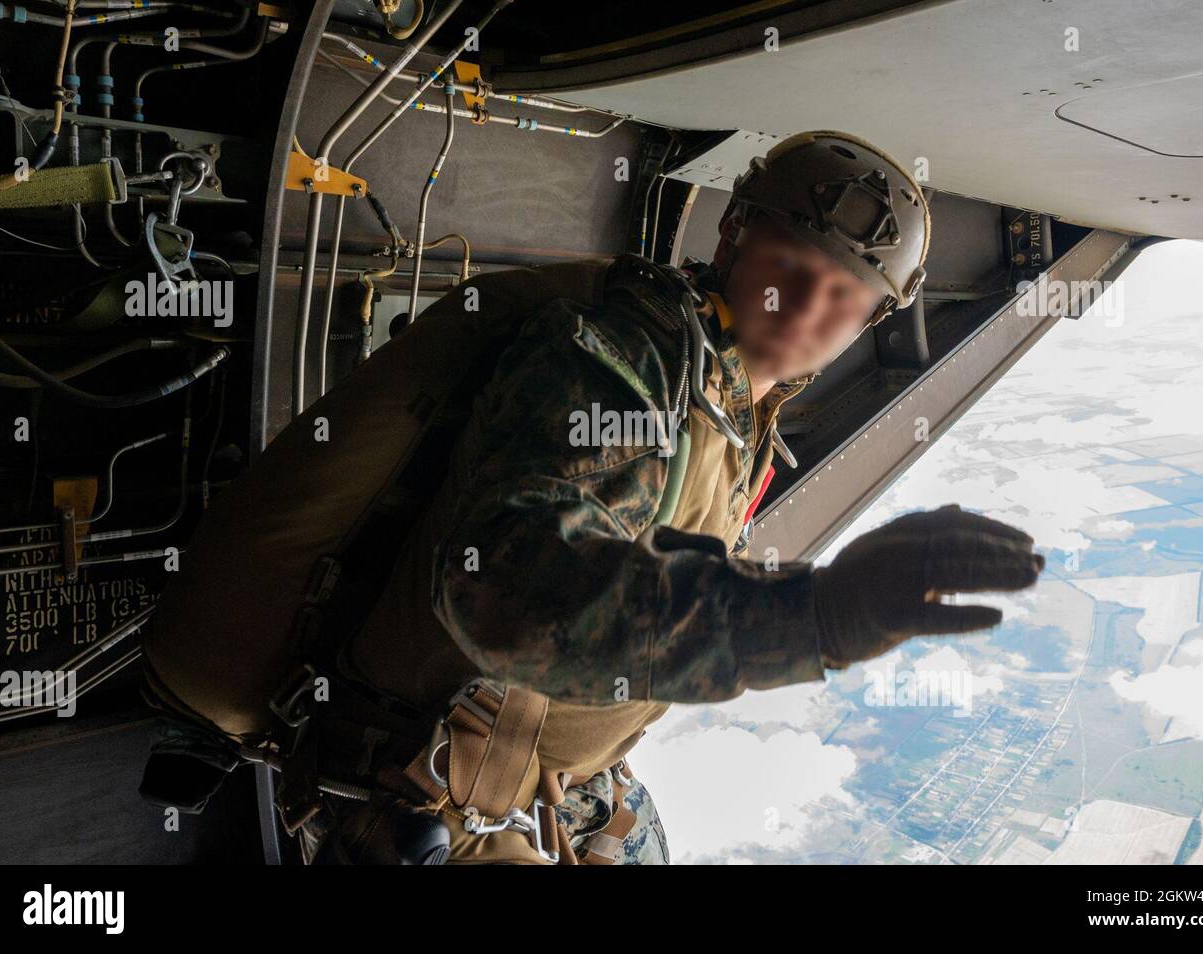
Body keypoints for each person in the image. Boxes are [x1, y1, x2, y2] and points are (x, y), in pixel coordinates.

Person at [142, 130, 1044, 865]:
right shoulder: (627, 357)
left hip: (525, 776)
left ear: (867, 322)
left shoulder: (728, 403)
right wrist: (810, 621)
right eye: (791, 262)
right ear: (731, 239)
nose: (809, 305)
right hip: (430, 800)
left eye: (846, 294)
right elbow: (512, 590)